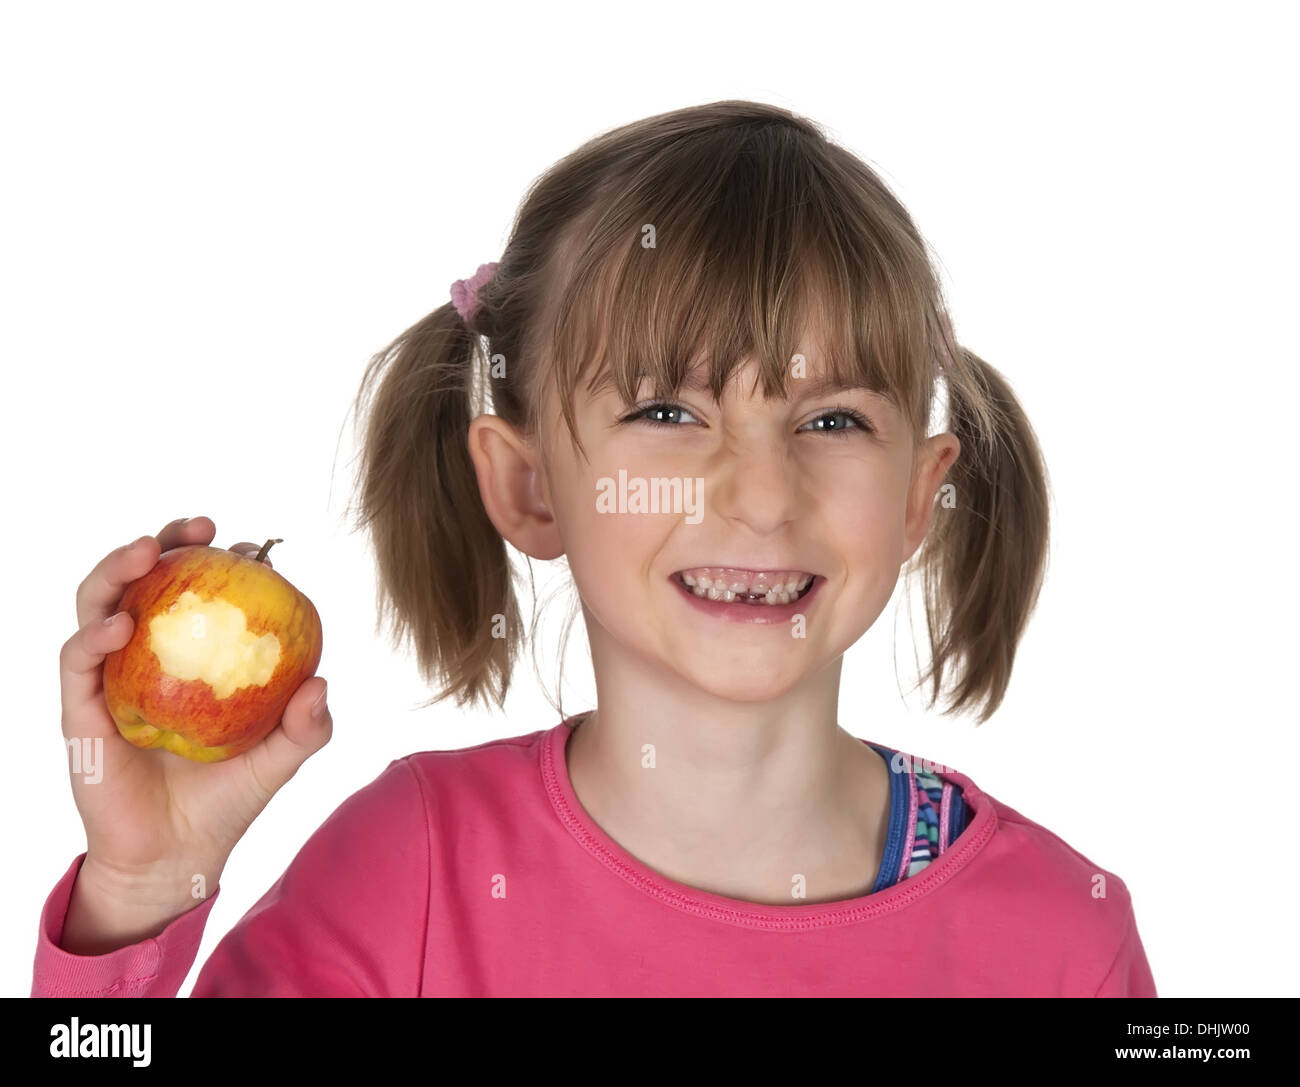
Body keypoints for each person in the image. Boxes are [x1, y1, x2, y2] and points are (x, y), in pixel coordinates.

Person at [33, 99, 1156, 997]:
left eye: (831, 420)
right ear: (527, 485)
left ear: (918, 498)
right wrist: (140, 889)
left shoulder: (1065, 938)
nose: (760, 495)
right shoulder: (407, 869)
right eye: (668, 413)